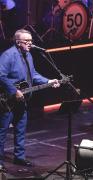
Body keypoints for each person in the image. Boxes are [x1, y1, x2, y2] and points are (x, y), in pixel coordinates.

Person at [0, 29, 60, 172]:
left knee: (20, 129)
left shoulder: (28, 55)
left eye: (31, 41)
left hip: (22, 100)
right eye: (27, 41)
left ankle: (19, 157)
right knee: (2, 131)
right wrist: (14, 91)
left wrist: (49, 81)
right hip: (8, 100)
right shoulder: (8, 55)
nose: (30, 44)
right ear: (17, 42)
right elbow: (1, 75)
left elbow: (33, 74)